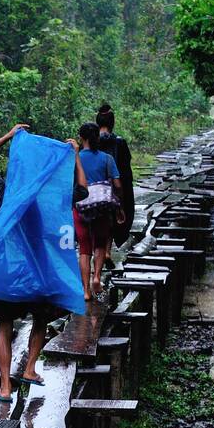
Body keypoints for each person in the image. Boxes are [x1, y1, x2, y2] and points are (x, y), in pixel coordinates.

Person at [0, 124, 87, 402]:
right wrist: (74, 155)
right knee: (40, 320)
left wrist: (8, 136)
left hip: (8, 275)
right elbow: (83, 190)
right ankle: (29, 368)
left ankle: (4, 385)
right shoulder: (51, 199)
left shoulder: (6, 195)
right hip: (39, 274)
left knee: (4, 327)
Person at [75, 122, 124, 301]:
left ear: (82, 138)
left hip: (80, 207)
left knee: (84, 249)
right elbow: (118, 185)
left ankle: (86, 291)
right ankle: (97, 277)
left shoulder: (75, 158)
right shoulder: (107, 158)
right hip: (101, 208)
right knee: (100, 244)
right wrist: (118, 205)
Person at [96, 104, 136, 248]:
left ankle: (99, 252)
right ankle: (107, 251)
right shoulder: (120, 142)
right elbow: (126, 169)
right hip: (115, 185)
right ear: (112, 122)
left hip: (95, 186)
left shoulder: (91, 141)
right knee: (113, 217)